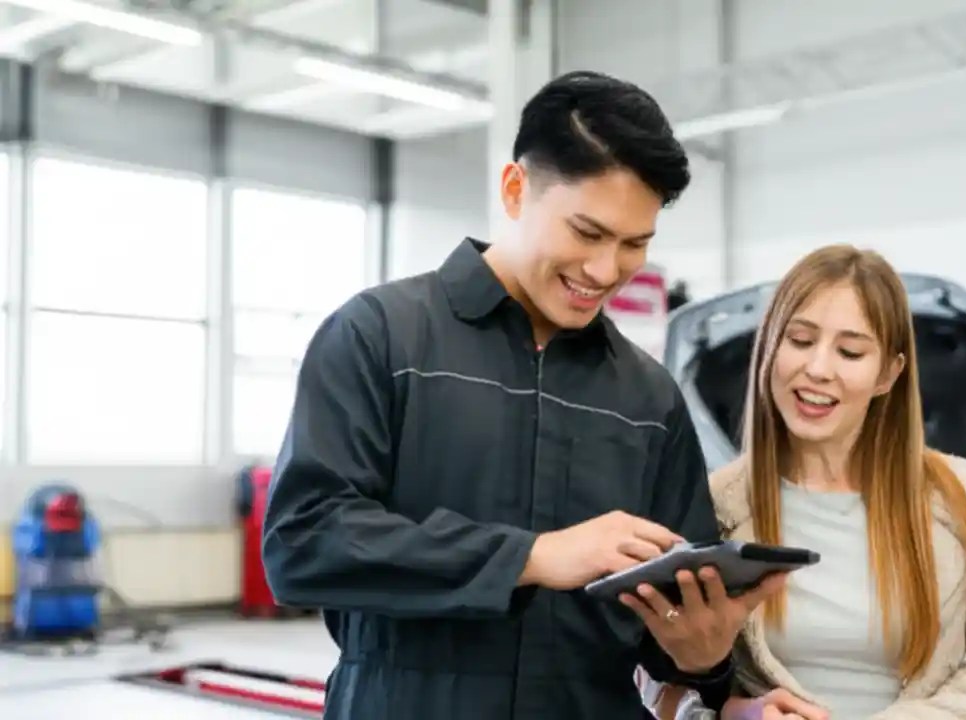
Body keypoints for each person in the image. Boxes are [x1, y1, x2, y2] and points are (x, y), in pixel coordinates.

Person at [260, 70, 779, 719]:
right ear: (515, 190)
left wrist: (703, 655)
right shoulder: (380, 338)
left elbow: (669, 642)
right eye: (587, 233)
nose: (604, 270)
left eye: (634, 244)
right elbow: (303, 544)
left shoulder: (649, 398)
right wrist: (532, 556)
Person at [642, 244, 966, 720]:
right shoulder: (717, 505)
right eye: (799, 341)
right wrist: (738, 714)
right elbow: (657, 684)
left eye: (850, 351)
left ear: (889, 373)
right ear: (770, 347)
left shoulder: (961, 496)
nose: (818, 369)